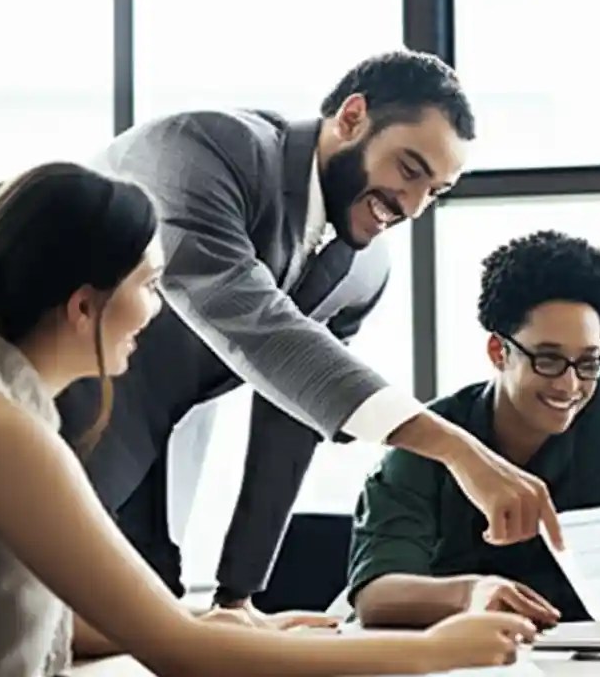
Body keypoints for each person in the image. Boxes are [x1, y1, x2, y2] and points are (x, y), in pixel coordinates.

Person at [0, 164, 535, 677]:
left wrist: (233, 624)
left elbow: (66, 618)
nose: (157, 309)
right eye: (151, 286)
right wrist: (432, 652)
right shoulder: (0, 433)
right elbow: (181, 656)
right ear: (83, 307)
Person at [56, 49, 562, 615]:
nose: (414, 207)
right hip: (44, 418)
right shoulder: (199, 151)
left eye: (436, 191)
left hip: (158, 460)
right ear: (352, 117)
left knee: (154, 630)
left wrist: (239, 596)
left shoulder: (366, 271)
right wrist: (456, 449)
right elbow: (254, 323)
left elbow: (296, 412)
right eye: (409, 170)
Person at [348, 231, 600, 627]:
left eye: (587, 363)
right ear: (499, 352)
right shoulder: (425, 446)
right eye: (548, 360)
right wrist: (474, 594)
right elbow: (376, 597)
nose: (569, 386)